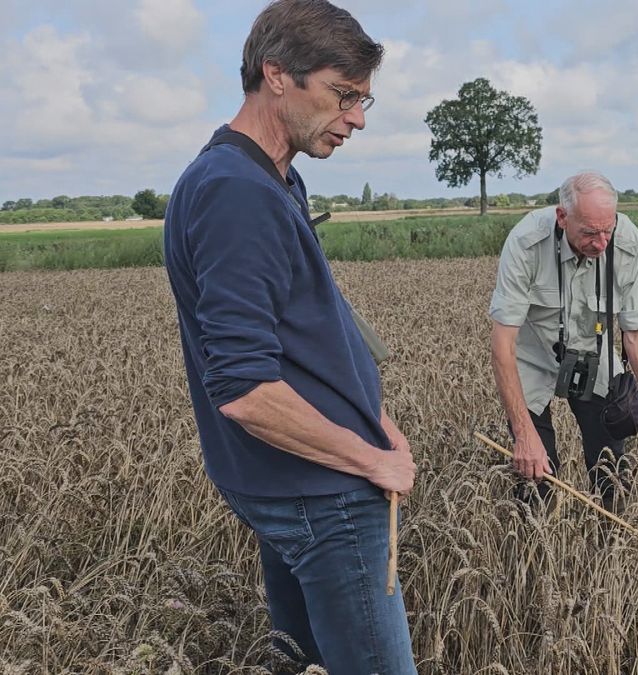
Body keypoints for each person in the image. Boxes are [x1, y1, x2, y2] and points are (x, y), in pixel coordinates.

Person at [162, 1, 417, 672]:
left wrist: (376, 419)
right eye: (343, 95)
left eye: (364, 99)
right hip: (323, 494)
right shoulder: (235, 192)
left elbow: (301, 339)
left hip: (303, 482)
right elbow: (245, 389)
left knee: (307, 662)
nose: (357, 117)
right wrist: (368, 458)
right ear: (277, 75)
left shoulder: (271, 175)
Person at [489, 171, 638, 510]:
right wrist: (523, 432)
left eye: (608, 230)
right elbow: (503, 342)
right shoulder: (526, 242)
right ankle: (535, 554)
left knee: (612, 468)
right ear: (562, 217)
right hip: (532, 357)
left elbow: (636, 334)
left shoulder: (628, 242)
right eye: (590, 232)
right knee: (536, 474)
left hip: (594, 354)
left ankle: (611, 548)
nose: (602, 243)